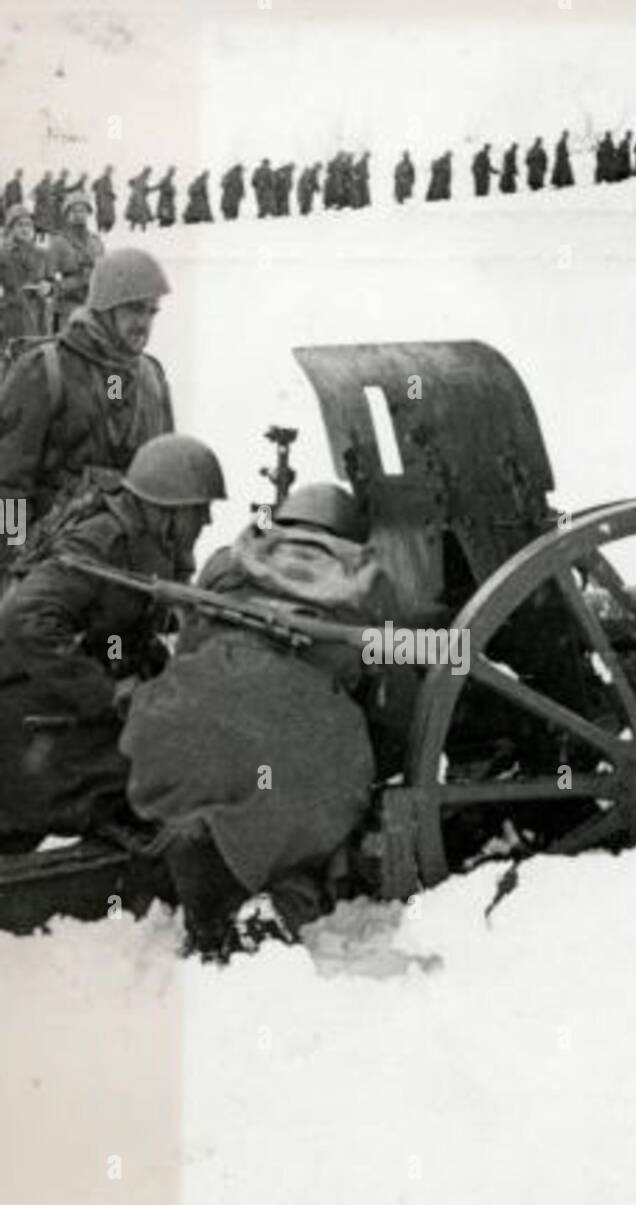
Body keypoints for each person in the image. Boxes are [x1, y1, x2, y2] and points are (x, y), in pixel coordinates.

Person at [121, 482, 398, 957]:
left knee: (216, 772)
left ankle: (196, 833)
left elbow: (188, 645)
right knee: (320, 810)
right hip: (292, 734)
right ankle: (278, 896)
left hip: (184, 721)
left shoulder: (229, 561)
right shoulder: (370, 582)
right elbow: (391, 695)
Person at [0, 435, 224, 853]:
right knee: (154, 764)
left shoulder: (142, 541)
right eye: (201, 509)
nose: (208, 522)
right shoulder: (103, 540)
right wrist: (105, 694)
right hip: (24, 703)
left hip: (48, 695)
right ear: (169, 511)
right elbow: (24, 619)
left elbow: (123, 632)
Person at [0, 247, 174, 585]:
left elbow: (168, 486)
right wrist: (13, 560)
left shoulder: (151, 377)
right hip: (49, 570)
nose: (145, 323)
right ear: (104, 309)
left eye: (152, 312)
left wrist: (176, 570)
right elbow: (9, 484)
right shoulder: (44, 370)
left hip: (125, 573)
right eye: (135, 309)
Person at [45, 192, 105, 331]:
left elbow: (104, 273)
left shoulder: (96, 242)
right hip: (67, 309)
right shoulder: (58, 242)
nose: (79, 214)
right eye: (74, 210)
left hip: (92, 308)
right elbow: (48, 279)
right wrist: (65, 286)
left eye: (83, 210)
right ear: (67, 214)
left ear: (88, 213)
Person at [0, 205, 52, 350]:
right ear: (11, 228)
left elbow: (53, 283)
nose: (25, 229)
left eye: (29, 225)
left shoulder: (42, 254)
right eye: (20, 225)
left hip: (38, 315)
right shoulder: (3, 255)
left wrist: (48, 288)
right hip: (11, 316)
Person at [91, 165, 117, 232]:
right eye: (108, 171)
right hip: (103, 201)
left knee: (107, 214)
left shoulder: (107, 179)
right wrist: (111, 194)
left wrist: (112, 195)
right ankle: (102, 227)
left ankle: (105, 228)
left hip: (106, 201)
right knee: (103, 214)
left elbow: (95, 188)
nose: (109, 173)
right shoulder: (102, 179)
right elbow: (102, 189)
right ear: (106, 171)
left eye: (110, 171)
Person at [33, 172, 54, 238]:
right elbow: (32, 195)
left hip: (45, 209)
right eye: (49, 176)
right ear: (45, 177)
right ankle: (39, 243)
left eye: (50, 177)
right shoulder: (41, 185)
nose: (50, 178)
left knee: (44, 227)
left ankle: (41, 243)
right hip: (42, 209)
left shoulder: (49, 186)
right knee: (40, 226)